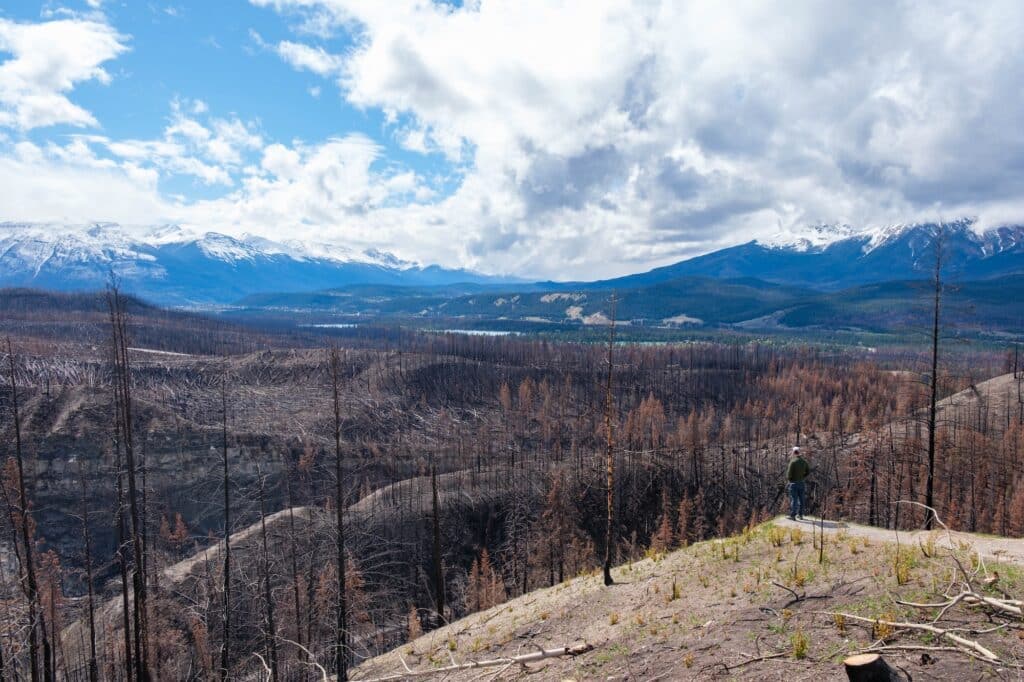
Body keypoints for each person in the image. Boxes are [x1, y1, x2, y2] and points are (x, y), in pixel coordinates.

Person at [786, 446, 810, 521]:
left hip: (793, 483)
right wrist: (803, 476)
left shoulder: (793, 462)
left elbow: (789, 474)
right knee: (802, 499)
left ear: (793, 452)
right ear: (799, 453)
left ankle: (793, 515)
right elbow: (808, 471)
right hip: (802, 483)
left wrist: (790, 480)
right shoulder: (804, 461)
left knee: (794, 499)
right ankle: (800, 515)